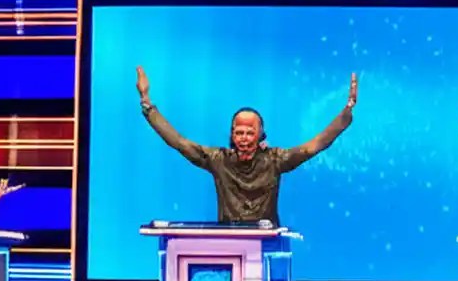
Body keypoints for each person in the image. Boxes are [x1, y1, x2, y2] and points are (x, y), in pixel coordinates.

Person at [135, 66, 357, 225]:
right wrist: (147, 103)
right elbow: (180, 143)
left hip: (266, 246)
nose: (243, 137)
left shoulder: (274, 160)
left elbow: (313, 147)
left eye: (250, 132)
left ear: (261, 136)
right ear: (231, 135)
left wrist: (346, 113)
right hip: (230, 247)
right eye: (238, 132)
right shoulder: (218, 160)